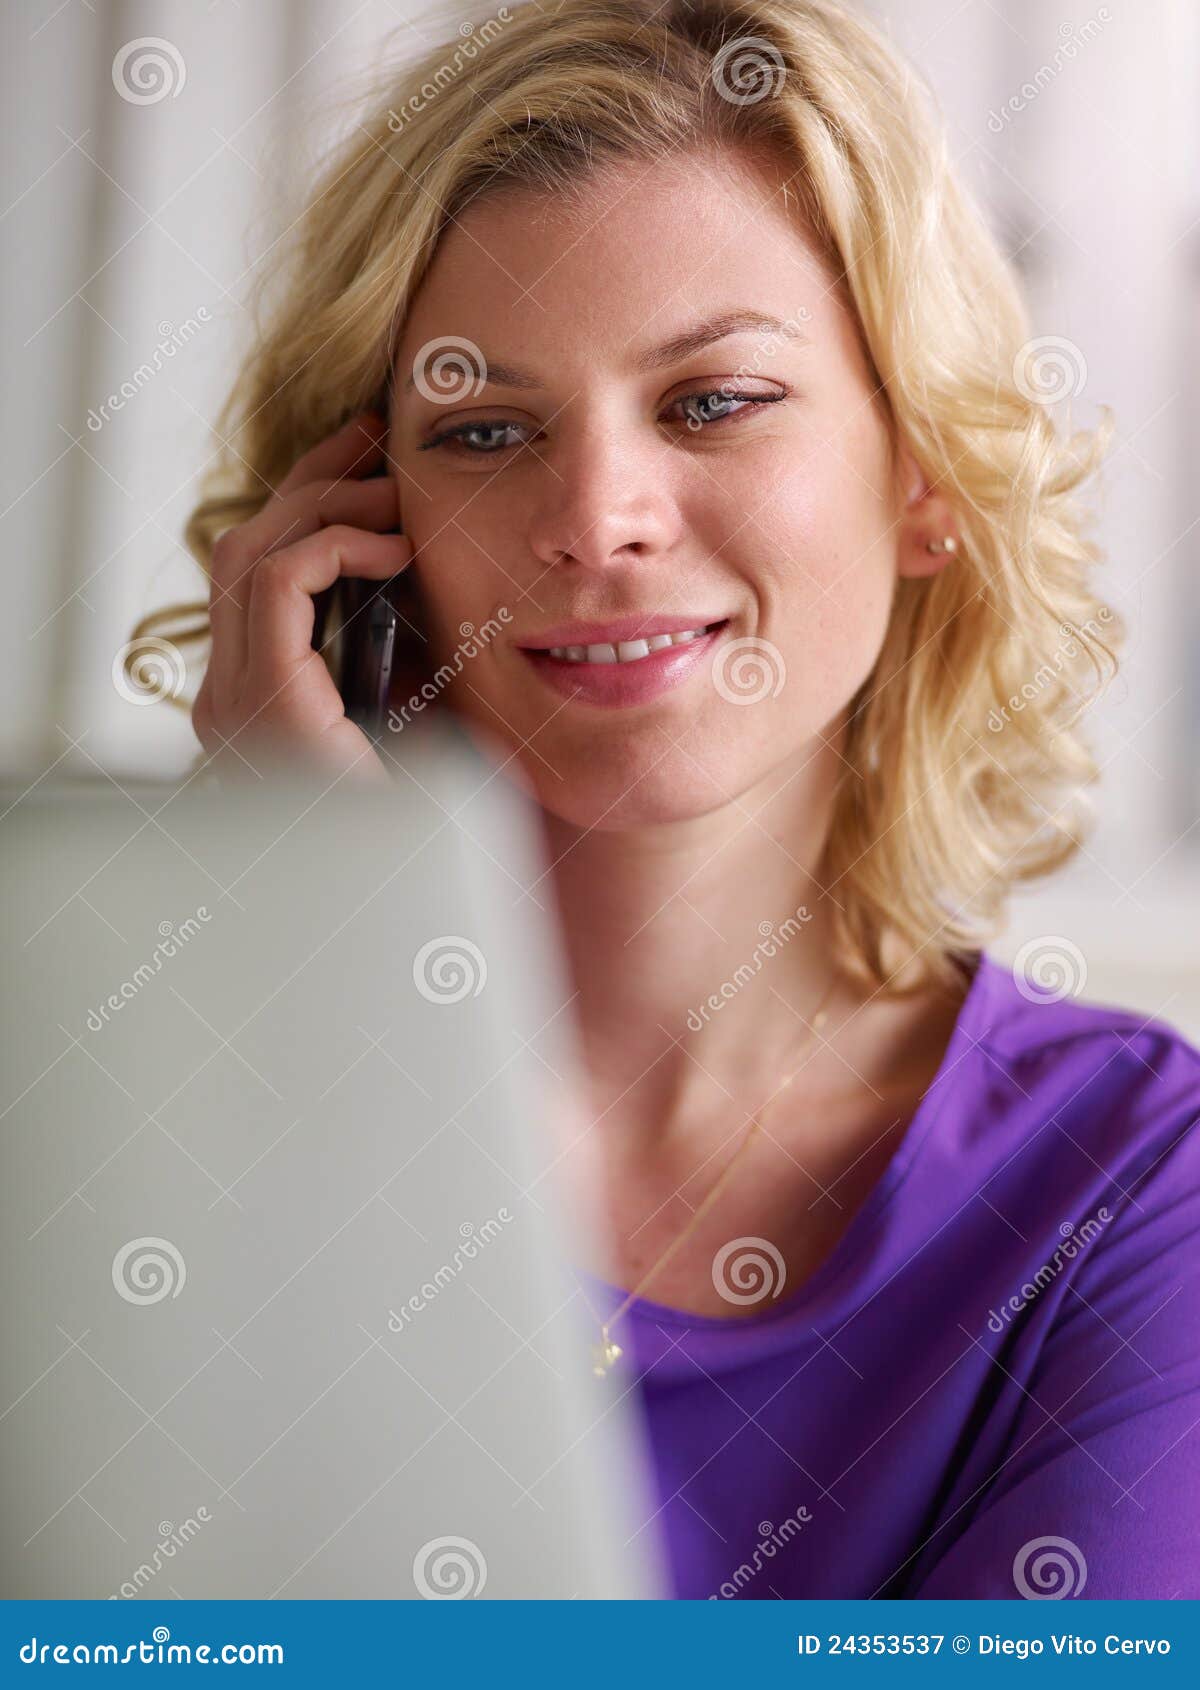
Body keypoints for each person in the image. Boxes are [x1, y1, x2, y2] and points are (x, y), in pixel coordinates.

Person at [128, 0, 1200, 1598]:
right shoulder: (123, 1125)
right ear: (359, 527)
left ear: (923, 478)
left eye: (712, 401)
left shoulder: (1134, 1175)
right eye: (485, 429)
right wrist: (332, 959)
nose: (595, 516)